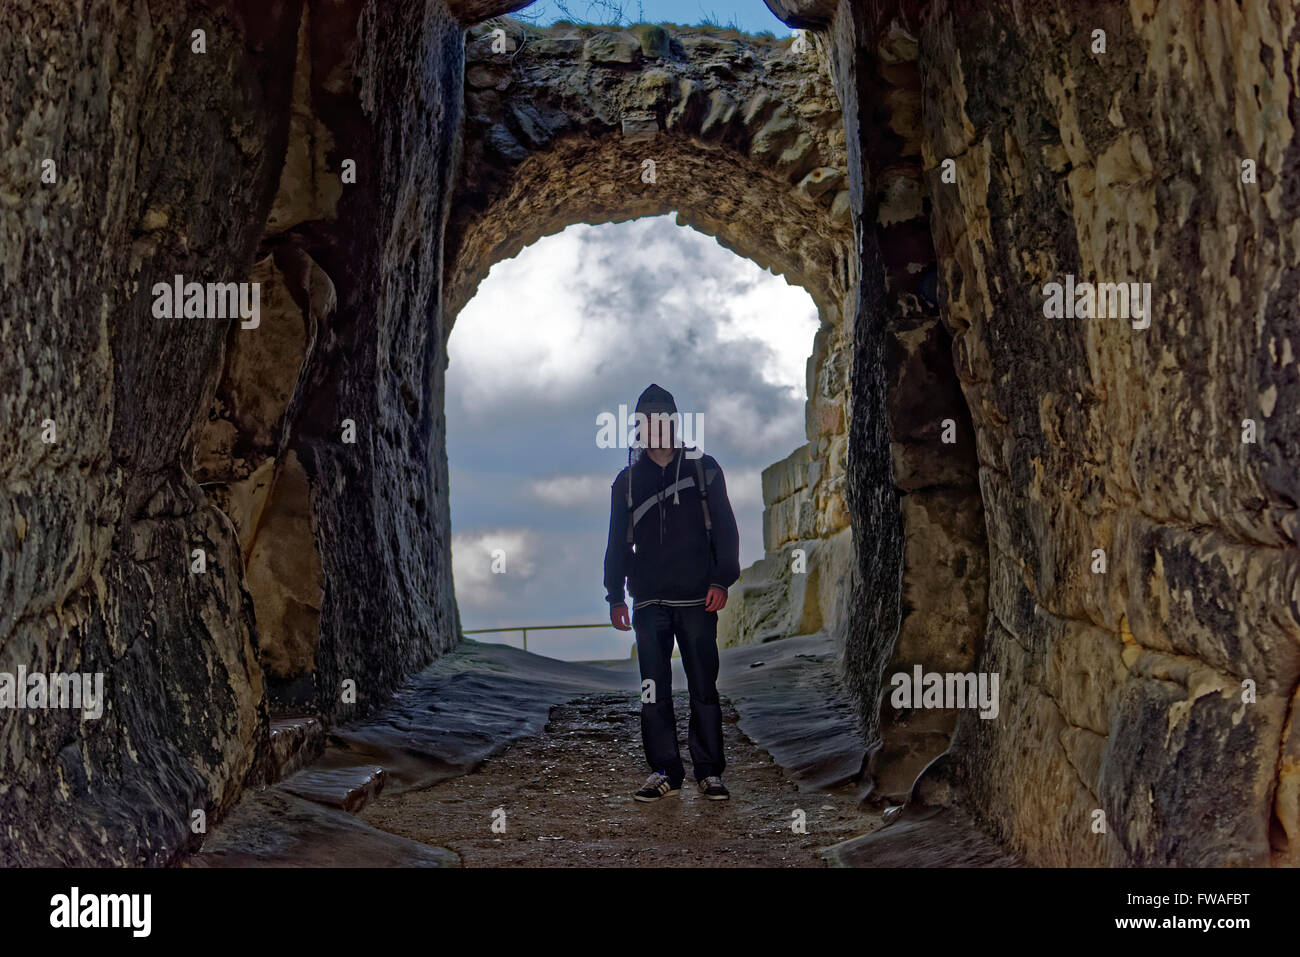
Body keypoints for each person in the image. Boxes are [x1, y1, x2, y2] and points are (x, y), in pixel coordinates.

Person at [603, 384, 741, 802]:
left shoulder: (704, 468)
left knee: (703, 685)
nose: (656, 428)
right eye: (647, 421)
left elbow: (727, 530)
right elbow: (617, 542)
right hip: (648, 602)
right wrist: (614, 595)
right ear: (639, 428)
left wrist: (721, 580)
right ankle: (664, 770)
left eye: (663, 420)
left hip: (698, 599)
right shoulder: (627, 482)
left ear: (674, 424)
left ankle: (709, 772)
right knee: (653, 688)